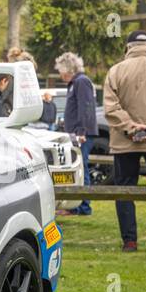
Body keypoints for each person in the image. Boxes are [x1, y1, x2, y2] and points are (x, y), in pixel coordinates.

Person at [103, 30, 146, 252]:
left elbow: (110, 108)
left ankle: (130, 241)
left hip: (124, 142)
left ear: (128, 47)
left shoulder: (117, 70)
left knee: (125, 189)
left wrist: (131, 130)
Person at [55, 51, 96, 216]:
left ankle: (83, 207)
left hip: (81, 134)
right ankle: (78, 206)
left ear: (68, 69)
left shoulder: (81, 81)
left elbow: (85, 107)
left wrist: (81, 131)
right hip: (76, 133)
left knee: (82, 169)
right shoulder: (75, 82)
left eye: (60, 70)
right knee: (79, 168)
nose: (60, 74)